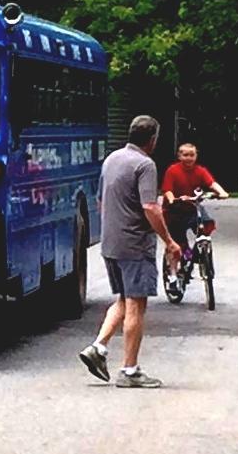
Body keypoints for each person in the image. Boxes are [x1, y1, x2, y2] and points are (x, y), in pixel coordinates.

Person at [78, 115, 181, 388]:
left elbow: (101, 201)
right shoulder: (145, 165)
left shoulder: (112, 159)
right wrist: (169, 241)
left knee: (123, 299)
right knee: (137, 304)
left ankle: (98, 347)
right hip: (135, 244)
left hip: (111, 242)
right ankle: (130, 370)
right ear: (153, 139)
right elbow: (150, 207)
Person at [160, 142, 230, 283]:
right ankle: (173, 274)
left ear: (196, 156)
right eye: (185, 155)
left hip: (192, 207)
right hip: (174, 210)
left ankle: (200, 252)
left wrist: (221, 192)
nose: (189, 158)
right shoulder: (173, 170)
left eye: (192, 155)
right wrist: (172, 199)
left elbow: (211, 183)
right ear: (179, 156)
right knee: (176, 244)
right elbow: (167, 189)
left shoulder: (200, 171)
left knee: (206, 224)